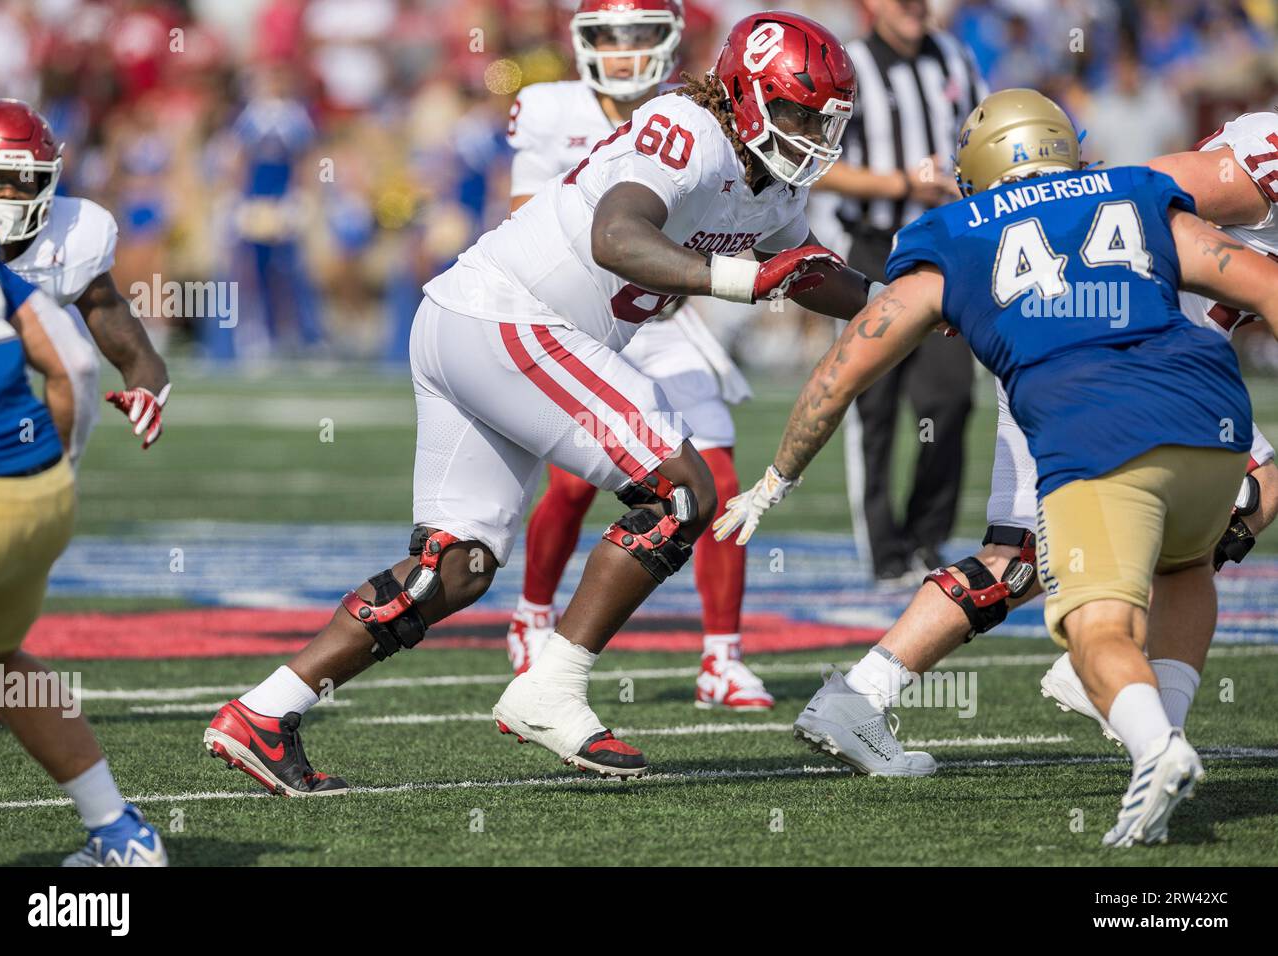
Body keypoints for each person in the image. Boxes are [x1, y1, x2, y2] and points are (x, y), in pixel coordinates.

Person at [205, 11, 872, 789]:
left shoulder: (769, 183)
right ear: (747, 93)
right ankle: (551, 687)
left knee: (455, 568)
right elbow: (616, 236)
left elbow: (810, 268)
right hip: (516, 318)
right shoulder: (687, 127)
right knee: (683, 493)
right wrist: (740, 280)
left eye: (820, 118)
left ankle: (263, 712)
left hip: (474, 324)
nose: (807, 132)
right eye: (794, 110)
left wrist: (903, 303)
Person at [715, 89, 1278, 846]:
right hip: (1163, 379)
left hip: (1106, 381)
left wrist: (779, 475)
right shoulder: (1157, 184)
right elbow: (1213, 248)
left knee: (1085, 572)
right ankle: (1117, 696)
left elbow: (846, 366)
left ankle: (1128, 708)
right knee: (1133, 546)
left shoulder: (959, 230)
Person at [503, 0, 770, 711]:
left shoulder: (694, 108)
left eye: (643, 34)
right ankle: (532, 614)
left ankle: (722, 656)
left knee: (715, 470)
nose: (625, 51)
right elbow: (530, 217)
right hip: (580, 311)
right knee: (572, 483)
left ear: (674, 40)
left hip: (663, 316)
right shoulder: (547, 107)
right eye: (609, 36)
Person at [0, 211, 166, 866]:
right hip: (37, 490)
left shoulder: (63, 236)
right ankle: (120, 832)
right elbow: (75, 364)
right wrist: (62, 470)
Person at [0, 97, 170, 725]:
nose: (7, 196)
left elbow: (110, 318)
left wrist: (146, 382)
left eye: (21, 180)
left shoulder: (75, 235)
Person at [814, 0, 987, 582]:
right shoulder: (850, 63)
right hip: (873, 246)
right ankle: (885, 554)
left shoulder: (957, 58)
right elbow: (815, 163)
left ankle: (926, 539)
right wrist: (900, 183)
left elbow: (981, 139)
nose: (914, 5)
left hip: (945, 247)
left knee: (951, 397)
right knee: (875, 403)